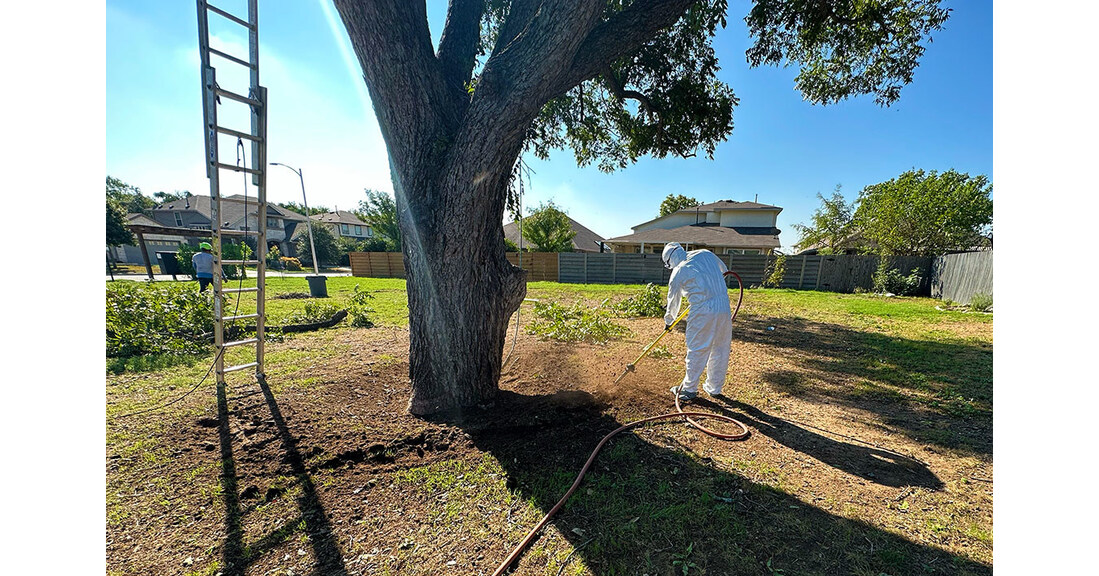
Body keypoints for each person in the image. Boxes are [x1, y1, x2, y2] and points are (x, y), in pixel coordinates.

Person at [662, 242, 733, 402]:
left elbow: (673, 300)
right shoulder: (705, 253)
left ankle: (688, 389)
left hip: (702, 310)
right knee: (720, 348)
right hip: (724, 305)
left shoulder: (678, 271)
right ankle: (714, 388)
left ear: (669, 260)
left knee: (697, 348)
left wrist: (669, 321)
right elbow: (724, 270)